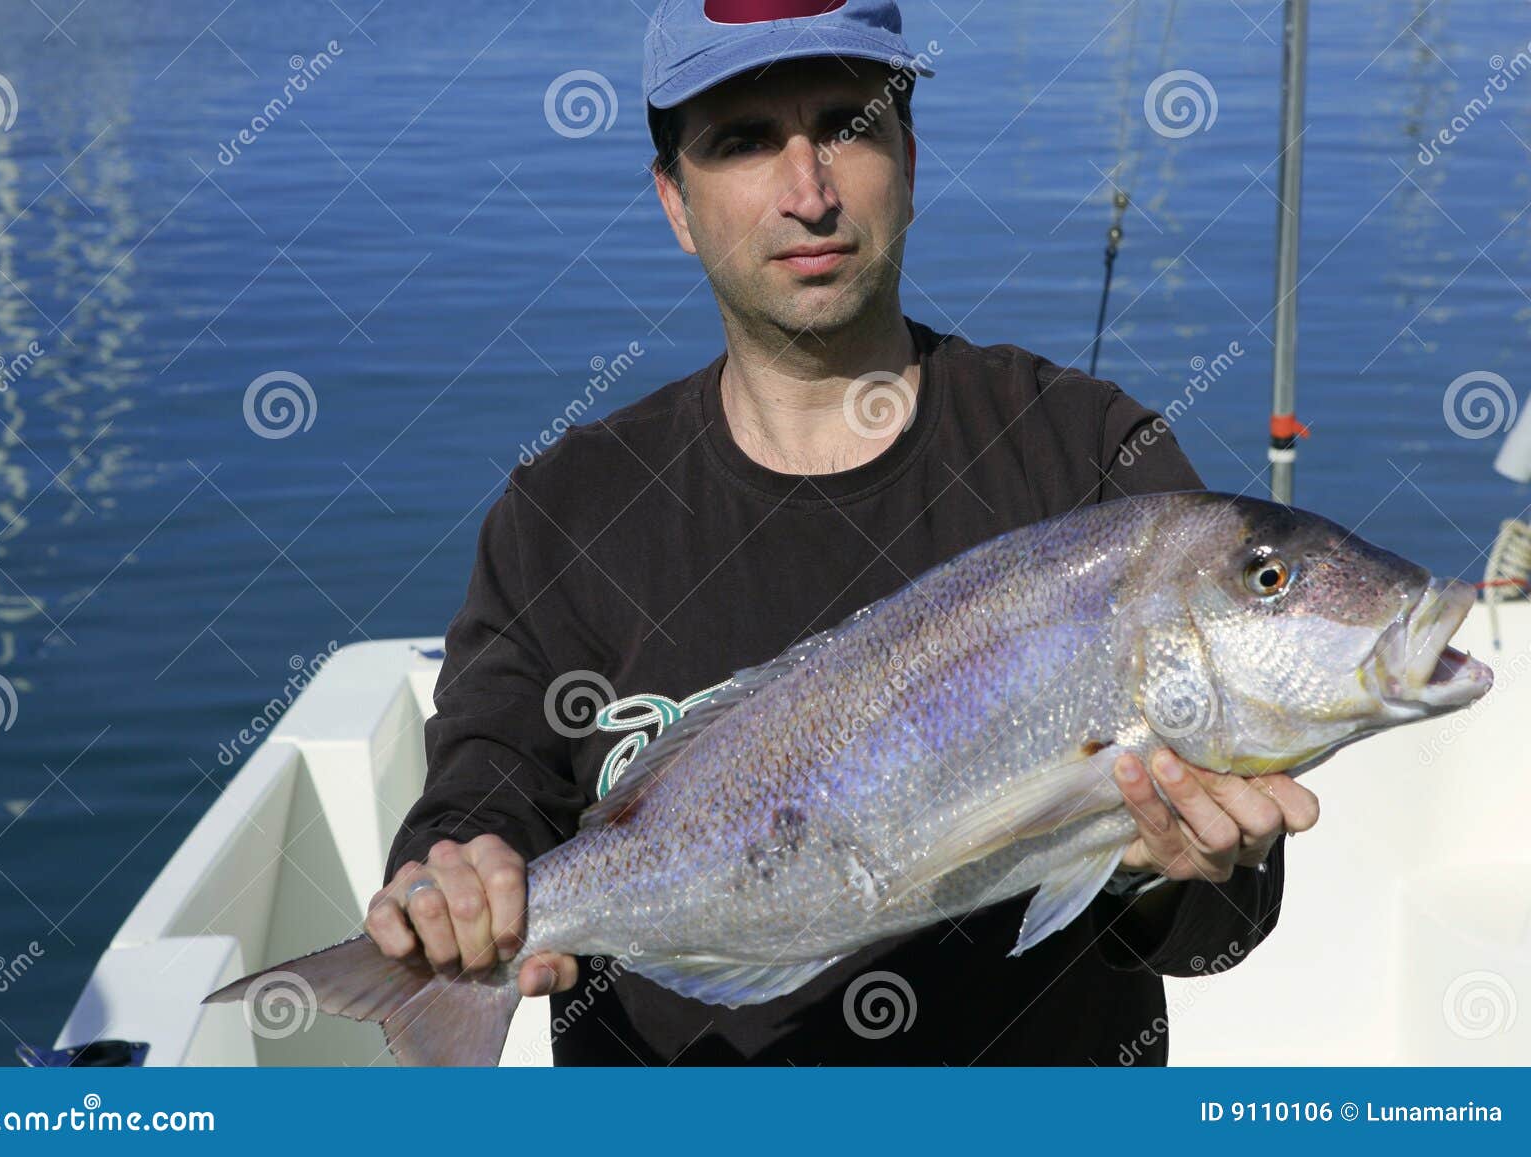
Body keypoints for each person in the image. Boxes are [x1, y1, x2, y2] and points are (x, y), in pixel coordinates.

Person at [364, 0, 1319, 1064]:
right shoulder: (568, 509)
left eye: (847, 125)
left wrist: (1160, 868)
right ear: (675, 200)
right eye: (741, 141)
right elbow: (485, 774)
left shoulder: (1091, 458)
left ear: (906, 159)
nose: (807, 191)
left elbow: (1216, 932)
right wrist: (454, 875)